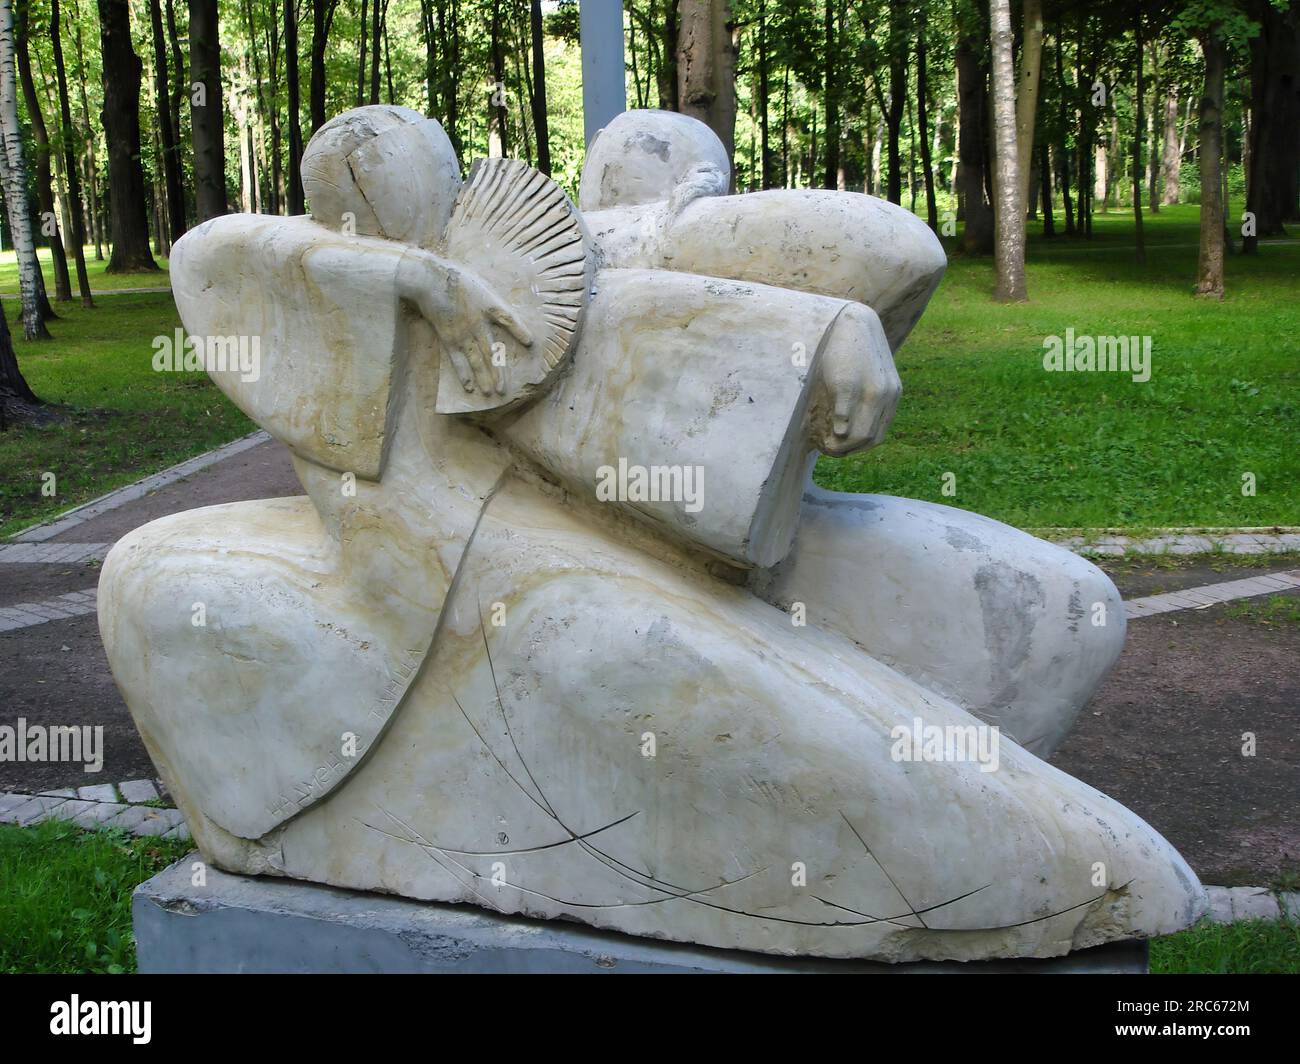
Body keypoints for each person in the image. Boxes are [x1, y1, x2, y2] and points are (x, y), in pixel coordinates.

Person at [100, 107, 1203, 962]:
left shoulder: (565, 258)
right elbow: (226, 254)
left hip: (584, 551)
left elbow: (884, 252)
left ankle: (1039, 859)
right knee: (791, 725)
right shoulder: (287, 284)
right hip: (470, 586)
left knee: (1048, 616)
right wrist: (427, 278)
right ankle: (1047, 869)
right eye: (365, 170)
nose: (381, 179)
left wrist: (823, 318)